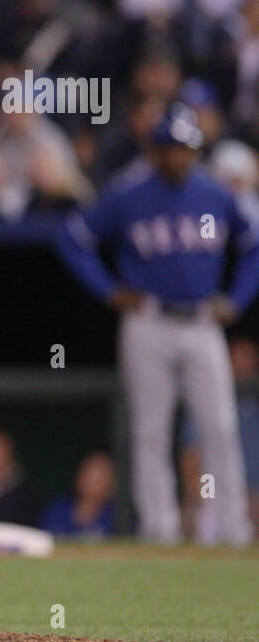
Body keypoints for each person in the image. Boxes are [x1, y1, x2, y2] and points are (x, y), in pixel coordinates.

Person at [56, 104, 258, 544]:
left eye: (184, 148)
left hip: (203, 320)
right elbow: (73, 237)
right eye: (169, 148)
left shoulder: (217, 195)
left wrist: (237, 300)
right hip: (148, 320)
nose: (177, 157)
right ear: (154, 150)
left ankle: (232, 529)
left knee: (220, 426)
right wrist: (108, 289)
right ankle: (159, 530)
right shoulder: (130, 195)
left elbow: (253, 247)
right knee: (151, 429)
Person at [39, 452, 116, 539]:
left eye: (98, 479)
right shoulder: (58, 509)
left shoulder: (117, 516)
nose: (90, 484)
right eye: (87, 476)